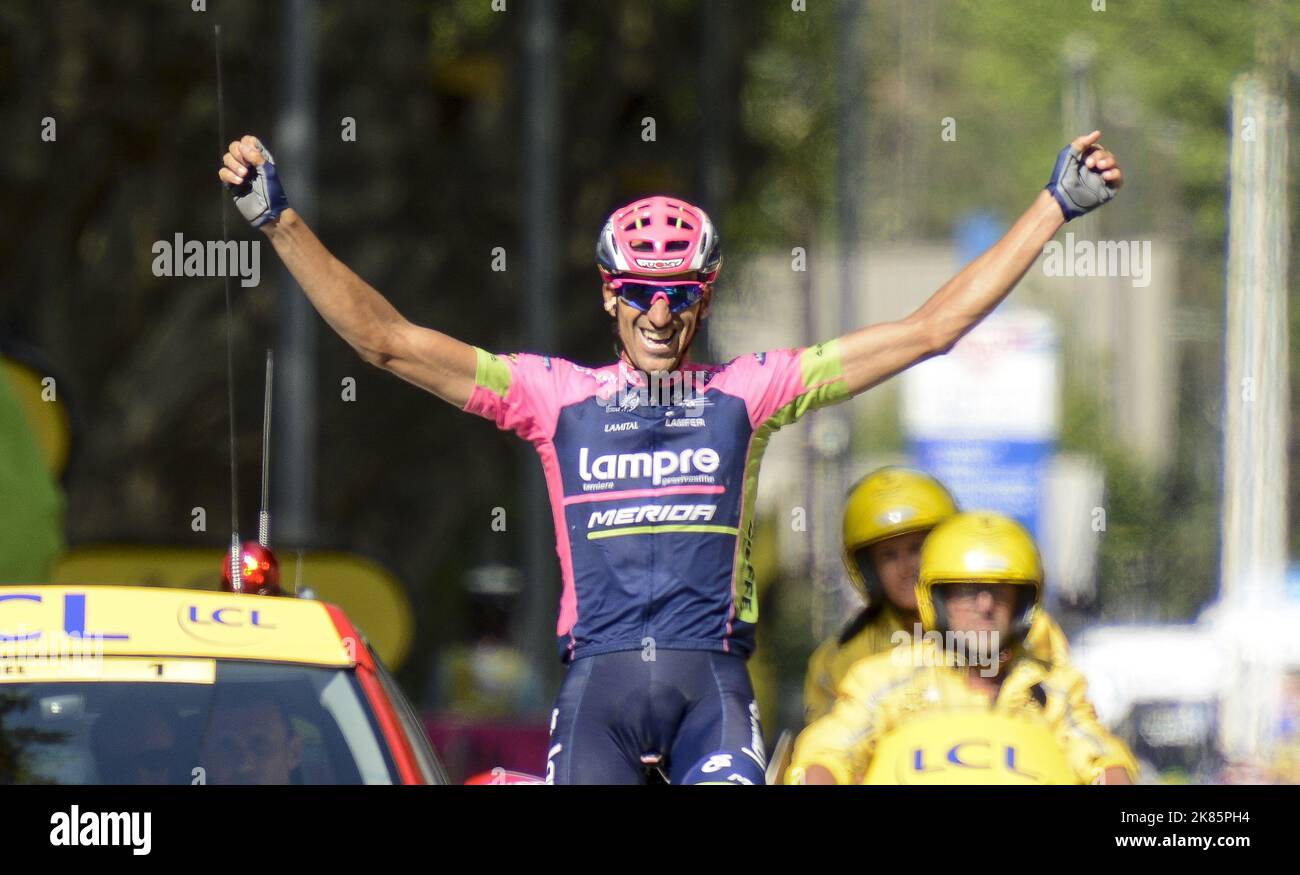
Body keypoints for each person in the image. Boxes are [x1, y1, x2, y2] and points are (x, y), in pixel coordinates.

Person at [218, 130, 1124, 784]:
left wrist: (1056, 205)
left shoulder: (753, 389)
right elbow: (388, 342)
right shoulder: (551, 395)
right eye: (642, 293)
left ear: (704, 297)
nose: (660, 314)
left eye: (680, 294)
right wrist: (278, 220)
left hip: (712, 690)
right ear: (611, 297)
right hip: (599, 686)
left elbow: (932, 330)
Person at [787, 512, 1137, 785]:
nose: (984, 606)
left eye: (1000, 592)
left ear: (1023, 604)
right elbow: (831, 748)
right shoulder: (884, 679)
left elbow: (1098, 752)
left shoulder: (1051, 687)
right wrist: (822, 772)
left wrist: (1112, 775)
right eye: (967, 592)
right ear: (937, 600)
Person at [803, 466, 1071, 724]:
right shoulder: (842, 658)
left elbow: (1066, 709)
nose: (907, 568)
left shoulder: (1030, 628)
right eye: (888, 556)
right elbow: (832, 747)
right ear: (868, 570)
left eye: (918, 548)